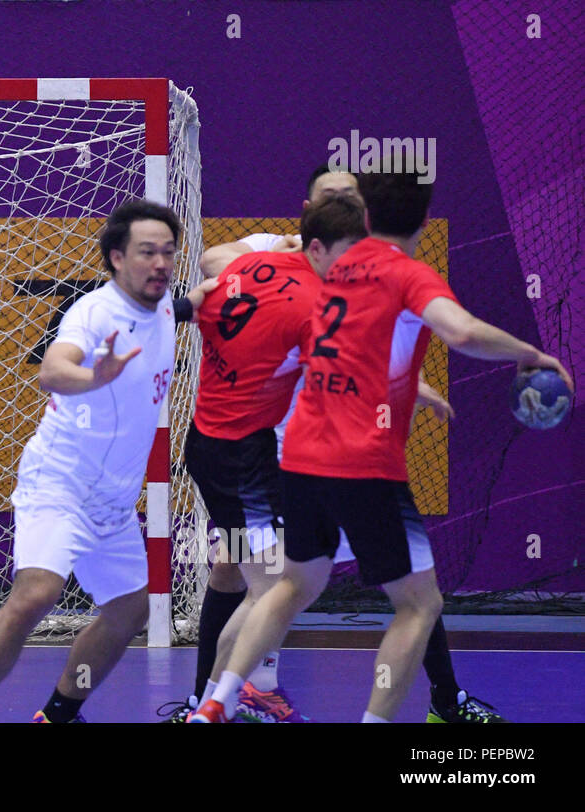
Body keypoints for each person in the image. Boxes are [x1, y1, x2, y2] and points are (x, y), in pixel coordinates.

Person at [189, 169, 573, 722]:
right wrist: (529, 354)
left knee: (281, 588)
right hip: (356, 462)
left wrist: (408, 384)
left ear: (364, 218)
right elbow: (461, 332)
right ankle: (383, 716)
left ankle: (215, 703)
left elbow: (333, 344)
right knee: (418, 602)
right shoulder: (394, 273)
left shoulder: (329, 272)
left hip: (298, 456)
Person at [0, 199, 215, 722]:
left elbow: (202, 294)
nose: (160, 263)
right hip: (61, 481)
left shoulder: (163, 306)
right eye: (146, 252)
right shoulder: (94, 313)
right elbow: (52, 369)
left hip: (111, 501)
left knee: (130, 608)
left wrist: (281, 254)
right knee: (37, 593)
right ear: (116, 258)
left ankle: (59, 714)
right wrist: (96, 377)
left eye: (167, 252)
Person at [181, 195, 366, 724]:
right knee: (276, 591)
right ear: (315, 243)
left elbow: (216, 279)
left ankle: (213, 700)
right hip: (243, 460)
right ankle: (224, 699)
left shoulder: (260, 262)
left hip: (218, 445)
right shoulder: (313, 304)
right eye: (347, 254)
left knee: (245, 574)